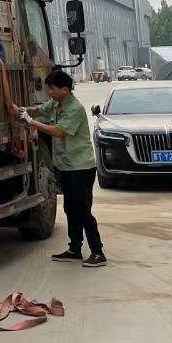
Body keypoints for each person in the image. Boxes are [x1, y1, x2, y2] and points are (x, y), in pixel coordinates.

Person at [10, 69, 106, 267]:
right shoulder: (56, 103)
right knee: (70, 209)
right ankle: (74, 249)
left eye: (52, 89)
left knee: (83, 210)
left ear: (64, 89)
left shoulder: (75, 109)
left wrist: (31, 122)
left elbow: (59, 131)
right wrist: (22, 110)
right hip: (66, 167)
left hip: (81, 168)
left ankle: (98, 252)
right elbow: (40, 109)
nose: (50, 92)